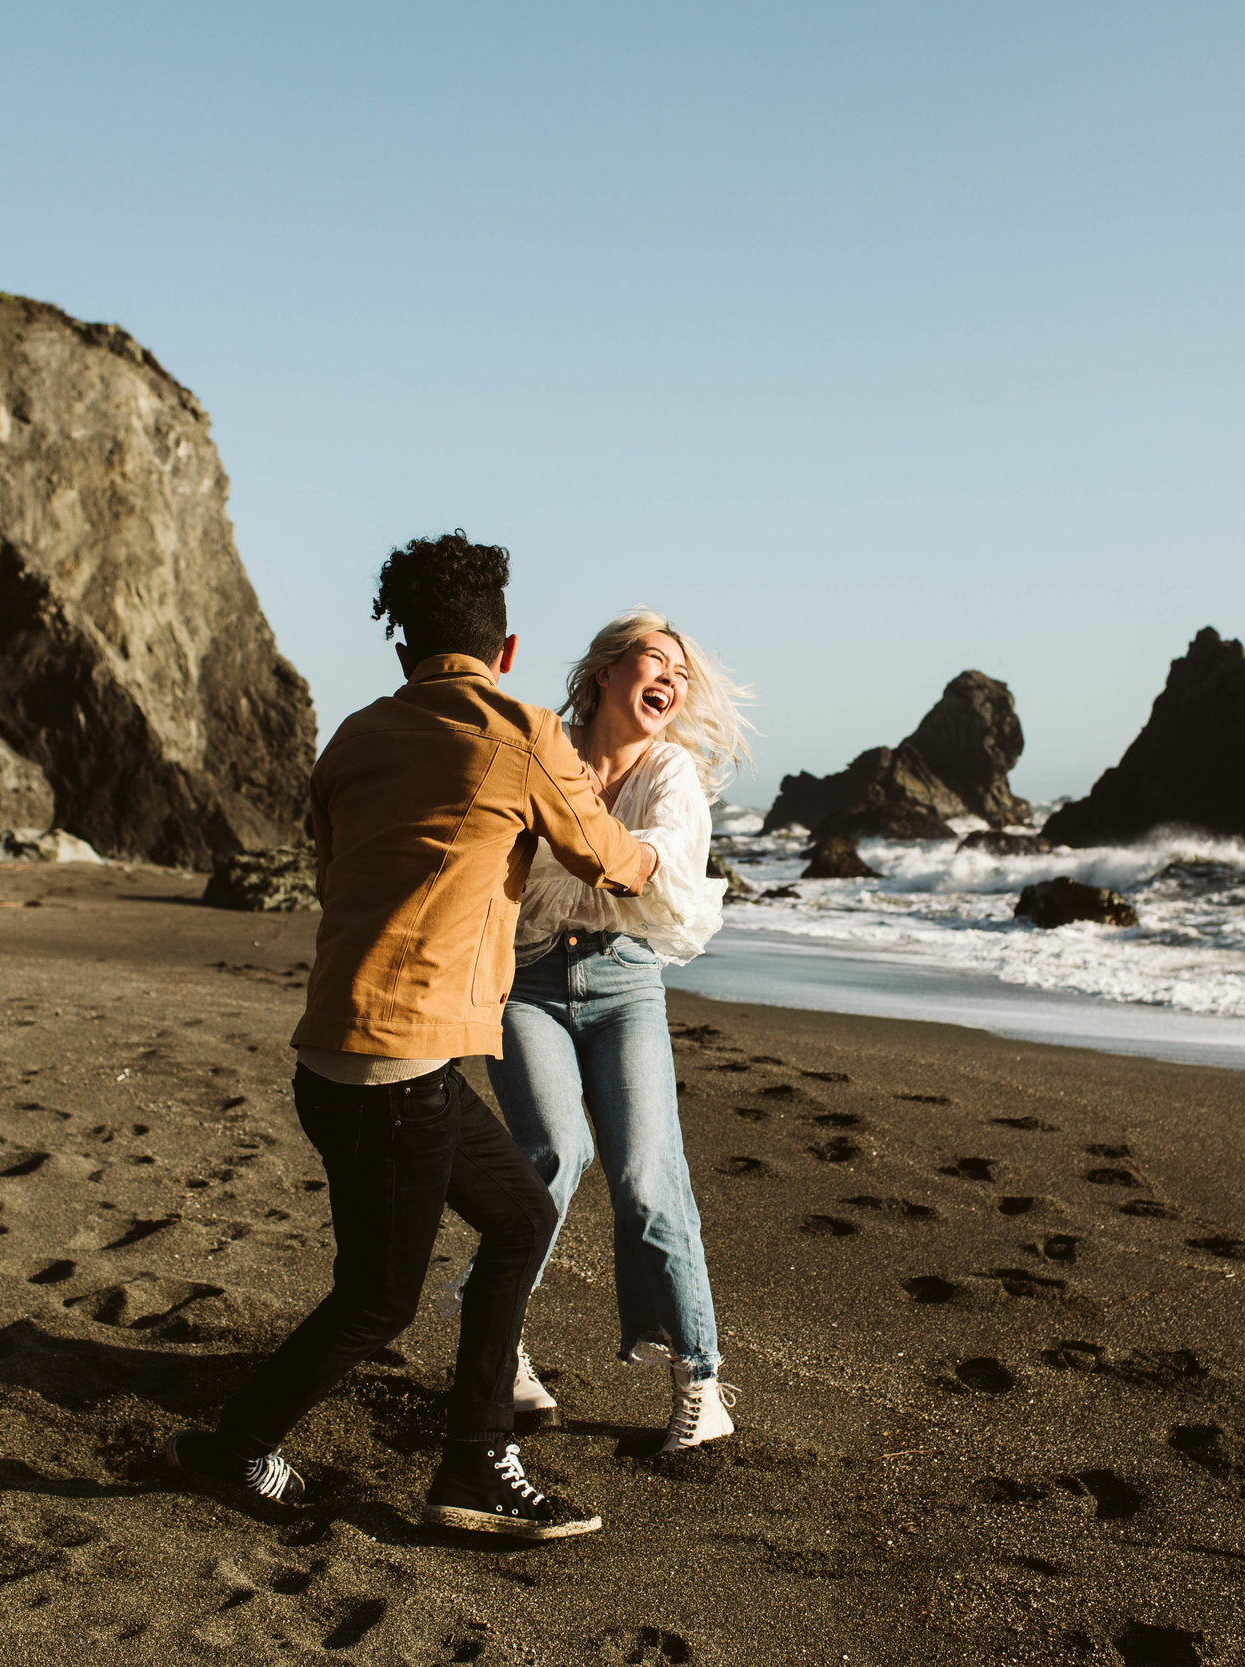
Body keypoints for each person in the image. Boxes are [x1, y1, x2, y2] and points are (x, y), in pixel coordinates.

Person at [163, 532, 660, 1540]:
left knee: (518, 1215)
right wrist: (667, 845)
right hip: (397, 1073)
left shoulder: (354, 736)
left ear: (403, 652)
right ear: (507, 650)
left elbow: (336, 868)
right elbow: (612, 860)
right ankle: (245, 1447)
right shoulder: (521, 731)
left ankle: (474, 1451)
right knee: (376, 1300)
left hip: (337, 1056)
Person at [484, 609, 752, 1453]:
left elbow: (659, 857)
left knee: (646, 1177)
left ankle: (700, 1382)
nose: (670, 677)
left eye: (681, 671)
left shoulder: (671, 771)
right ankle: (498, 1353)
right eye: (655, 659)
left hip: (623, 981)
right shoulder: (544, 748)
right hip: (527, 980)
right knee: (553, 1152)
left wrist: (575, 833)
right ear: (606, 672)